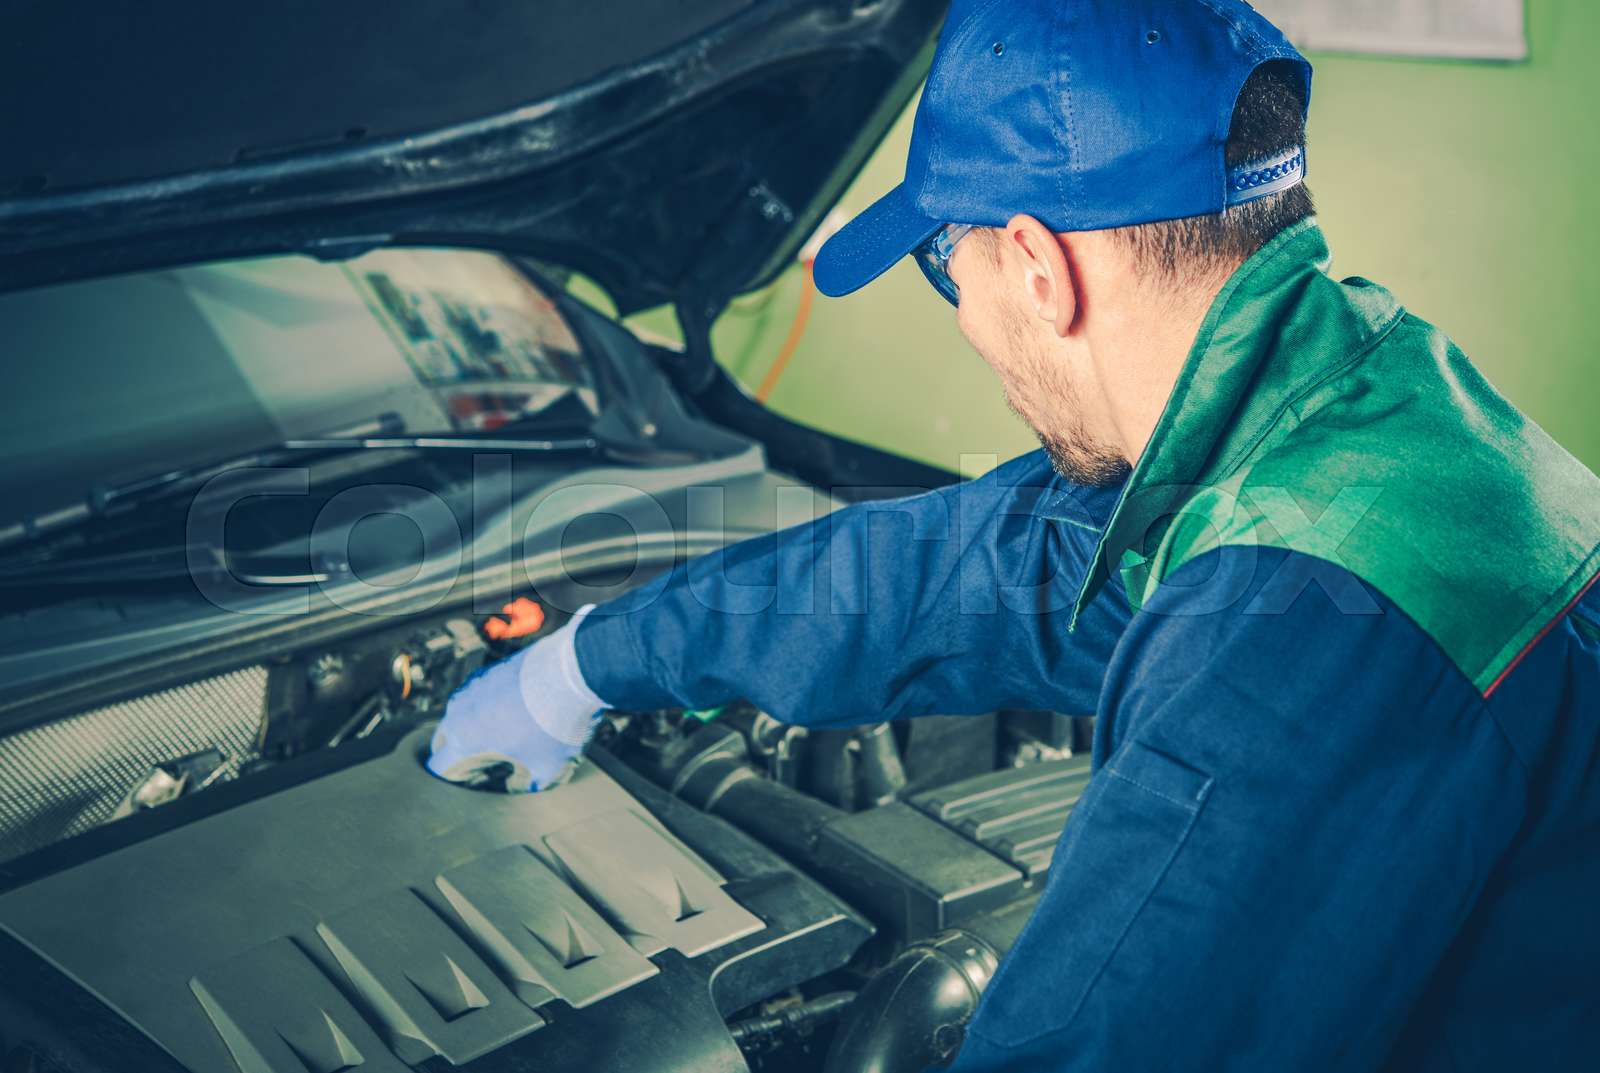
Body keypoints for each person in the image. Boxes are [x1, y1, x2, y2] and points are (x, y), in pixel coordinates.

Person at [427, 0, 1600, 1068]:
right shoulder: (1335, 409)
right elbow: (948, 568)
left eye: (949, 266)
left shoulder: (1300, 633)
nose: (967, 320)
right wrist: (580, 663)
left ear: (1038, 267)